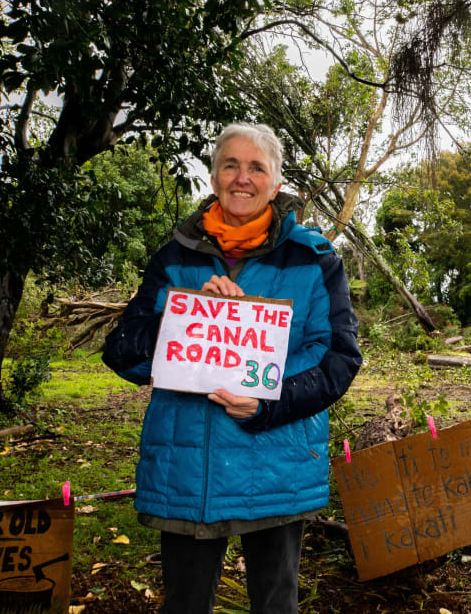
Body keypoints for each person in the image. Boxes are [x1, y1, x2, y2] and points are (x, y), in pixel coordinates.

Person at [102, 123, 361, 614]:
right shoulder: (175, 256)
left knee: (275, 603)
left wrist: (269, 402)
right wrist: (184, 317)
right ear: (216, 177)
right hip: (188, 472)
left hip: (276, 467)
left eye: (256, 168)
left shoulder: (314, 259)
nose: (243, 178)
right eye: (231, 165)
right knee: (185, 604)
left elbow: (339, 358)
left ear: (276, 182)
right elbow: (122, 350)